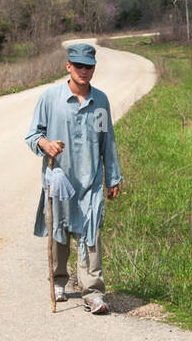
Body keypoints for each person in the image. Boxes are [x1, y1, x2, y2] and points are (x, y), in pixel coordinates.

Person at [24, 42, 123, 314]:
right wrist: (45, 144)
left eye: (88, 67)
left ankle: (93, 292)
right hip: (60, 179)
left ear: (93, 69)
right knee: (59, 229)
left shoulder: (100, 101)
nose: (83, 71)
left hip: (90, 180)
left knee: (91, 233)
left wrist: (112, 177)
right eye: (78, 66)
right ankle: (58, 280)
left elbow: (107, 141)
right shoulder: (50, 98)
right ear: (68, 66)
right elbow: (33, 135)